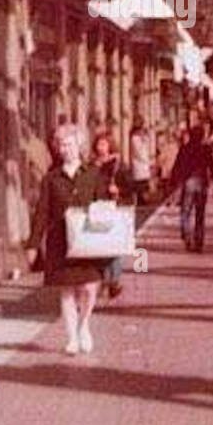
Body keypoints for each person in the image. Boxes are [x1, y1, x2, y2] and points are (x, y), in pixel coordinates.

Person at [24, 124, 111, 355]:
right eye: (61, 145)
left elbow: (102, 205)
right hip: (61, 240)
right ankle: (72, 337)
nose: (66, 149)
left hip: (88, 240)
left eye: (70, 144)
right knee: (67, 291)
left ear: (79, 146)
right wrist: (33, 244)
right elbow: (41, 212)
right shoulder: (51, 179)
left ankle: (84, 325)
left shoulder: (93, 174)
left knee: (90, 287)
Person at [90, 128, 127, 300]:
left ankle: (115, 280)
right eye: (98, 144)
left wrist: (119, 189)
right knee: (101, 246)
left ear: (110, 146)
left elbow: (129, 183)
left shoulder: (117, 164)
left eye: (104, 144)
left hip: (115, 207)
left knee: (115, 246)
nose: (101, 147)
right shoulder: (92, 165)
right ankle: (105, 280)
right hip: (98, 207)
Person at [169, 121, 213, 252]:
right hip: (202, 182)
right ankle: (199, 240)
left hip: (188, 181)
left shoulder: (184, 148)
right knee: (200, 214)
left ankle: (187, 235)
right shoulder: (206, 149)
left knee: (185, 211)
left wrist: (173, 183)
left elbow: (177, 167)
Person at [127, 119, 153, 205]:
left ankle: (143, 200)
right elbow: (140, 153)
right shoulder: (134, 139)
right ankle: (140, 200)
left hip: (144, 167)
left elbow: (147, 149)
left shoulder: (142, 139)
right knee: (140, 186)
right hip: (139, 167)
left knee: (144, 184)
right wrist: (148, 161)